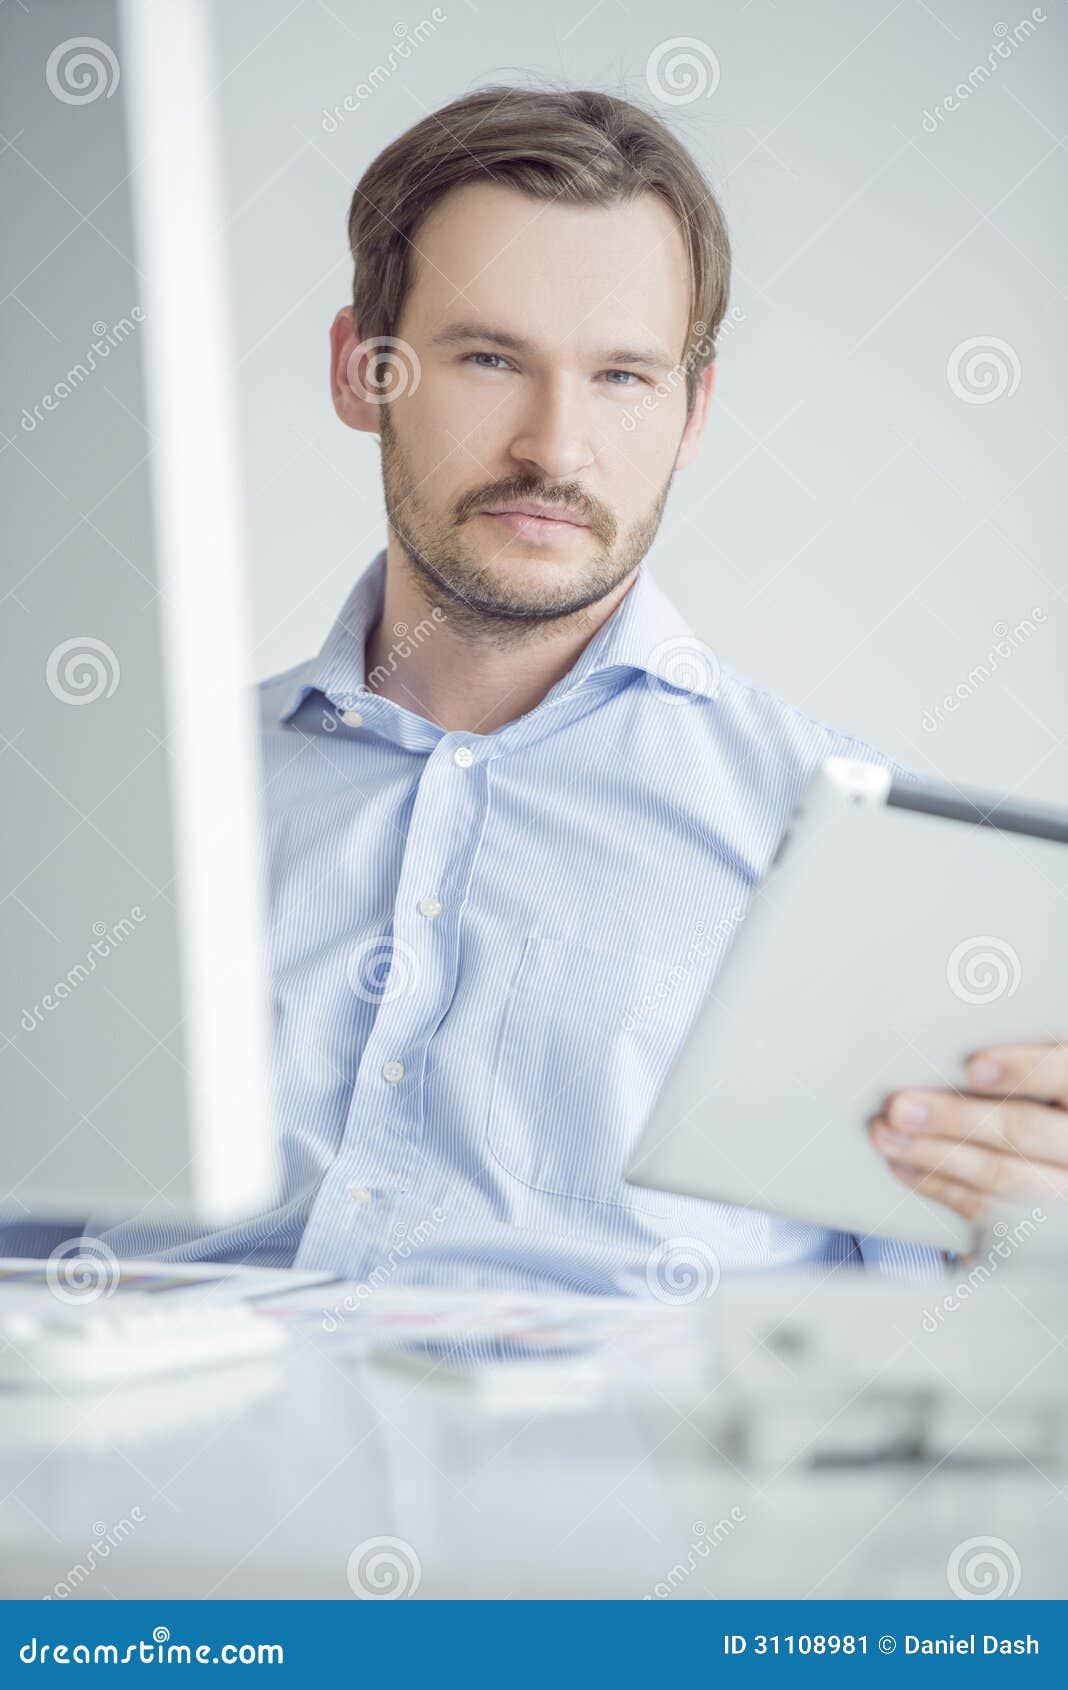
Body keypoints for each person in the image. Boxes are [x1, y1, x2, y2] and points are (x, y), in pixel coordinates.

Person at [111, 86, 1068, 1291]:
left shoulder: (850, 866)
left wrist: (1039, 1236)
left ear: (693, 412)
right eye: (491, 357)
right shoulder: (124, 811)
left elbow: (937, 1351)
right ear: (365, 371)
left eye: (622, 377)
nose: (554, 450)